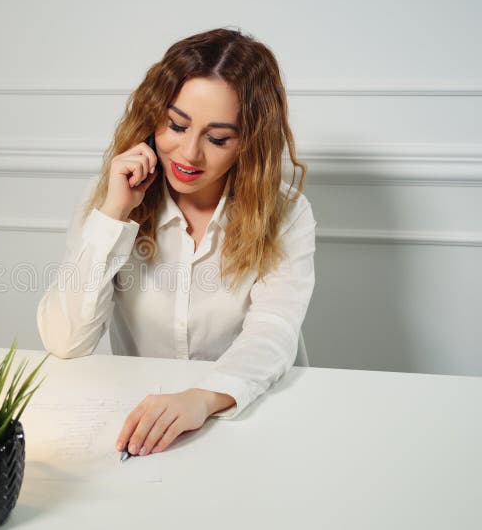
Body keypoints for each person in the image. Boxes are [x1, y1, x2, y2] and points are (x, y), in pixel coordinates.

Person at [36, 28, 316, 458]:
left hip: (253, 420)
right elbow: (64, 340)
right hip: (144, 429)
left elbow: (273, 333)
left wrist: (201, 398)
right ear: (153, 117)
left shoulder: (287, 216)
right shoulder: (110, 202)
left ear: (249, 144)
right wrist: (114, 215)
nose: (188, 154)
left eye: (217, 138)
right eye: (176, 125)